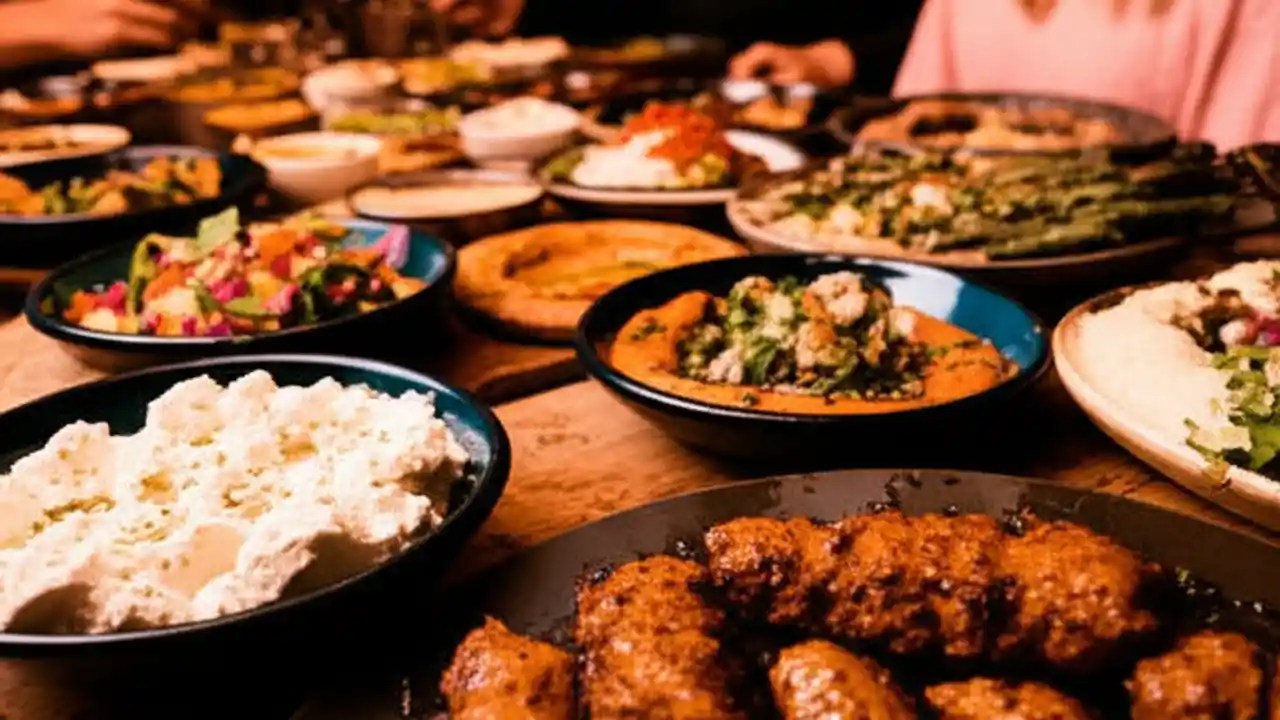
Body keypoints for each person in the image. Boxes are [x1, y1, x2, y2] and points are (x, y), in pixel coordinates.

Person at [429, 0, 924, 95]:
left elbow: (979, 19)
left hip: (867, 101)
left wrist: (839, 58)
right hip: (718, 96)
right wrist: (521, 9)